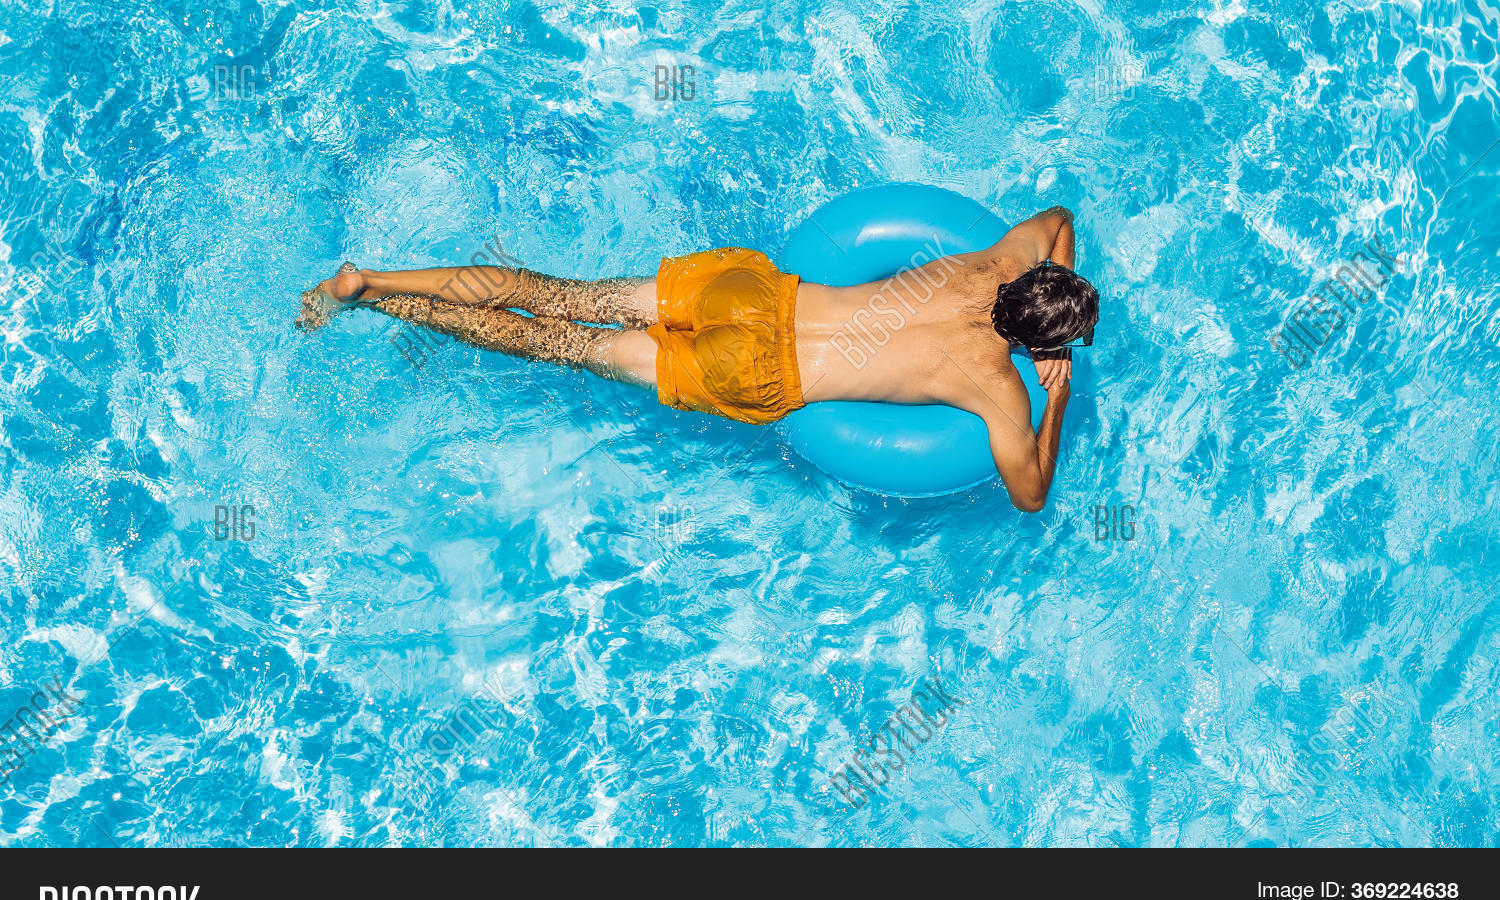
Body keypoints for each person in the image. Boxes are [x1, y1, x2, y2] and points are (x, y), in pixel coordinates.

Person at [297, 205, 1098, 510]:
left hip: (755, 297)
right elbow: (1029, 493)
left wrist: (1052, 295)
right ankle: (376, 305)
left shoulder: (998, 259)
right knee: (546, 340)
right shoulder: (997, 386)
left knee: (554, 292)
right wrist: (1055, 390)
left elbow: (1060, 219)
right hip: (756, 373)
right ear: (1038, 343)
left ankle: (370, 279)